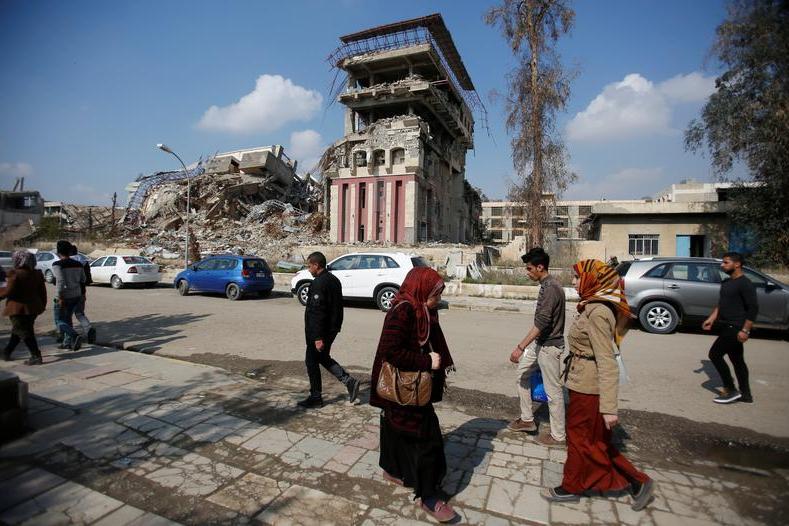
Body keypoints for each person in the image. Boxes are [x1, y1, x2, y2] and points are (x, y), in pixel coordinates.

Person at [542, 259, 654, 511]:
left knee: (581, 439)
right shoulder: (590, 306)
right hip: (580, 381)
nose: (573, 282)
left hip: (589, 388)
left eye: (577, 277)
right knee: (593, 442)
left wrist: (609, 407)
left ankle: (572, 486)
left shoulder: (599, 312)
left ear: (592, 280)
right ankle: (636, 482)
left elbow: (607, 361)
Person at [369, 267, 457, 523]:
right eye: (435, 294)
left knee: (394, 428)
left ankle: (392, 469)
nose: (438, 299)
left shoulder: (421, 310)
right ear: (421, 289)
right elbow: (391, 352)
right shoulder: (404, 311)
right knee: (427, 441)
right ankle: (428, 496)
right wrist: (426, 361)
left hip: (406, 391)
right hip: (405, 389)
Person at [508, 247, 568, 447]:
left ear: (540, 267)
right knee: (522, 374)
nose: (527, 272)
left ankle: (558, 436)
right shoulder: (546, 285)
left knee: (553, 392)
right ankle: (527, 420)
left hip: (550, 347)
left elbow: (541, 323)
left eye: (529, 268)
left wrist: (520, 347)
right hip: (539, 343)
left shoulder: (551, 288)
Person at [297, 252, 360, 408]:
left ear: (316, 265)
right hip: (331, 328)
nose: (308, 268)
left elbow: (318, 312)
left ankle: (316, 397)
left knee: (311, 361)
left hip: (321, 331)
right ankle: (349, 382)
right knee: (323, 357)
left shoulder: (319, 283)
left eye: (309, 265)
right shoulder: (333, 279)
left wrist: (318, 337)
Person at [702, 252, 758, 404]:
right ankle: (746, 395)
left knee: (714, 354)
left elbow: (753, 309)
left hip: (736, 326)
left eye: (726, 262)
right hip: (726, 324)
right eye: (723, 262)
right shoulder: (727, 282)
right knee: (737, 360)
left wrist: (745, 330)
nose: (722, 265)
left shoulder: (745, 284)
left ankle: (731, 389)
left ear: (737, 264)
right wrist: (712, 318)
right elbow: (722, 303)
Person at [1, 251, 47, 365]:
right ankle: (6, 352)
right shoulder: (37, 273)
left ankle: (36, 355)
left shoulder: (15, 273)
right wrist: (42, 306)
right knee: (19, 330)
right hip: (33, 308)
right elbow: (42, 292)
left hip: (18, 309)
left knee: (24, 332)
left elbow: (7, 291)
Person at [51, 240, 85, 351]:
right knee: (68, 318)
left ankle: (74, 335)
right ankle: (67, 343)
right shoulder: (79, 264)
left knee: (59, 320)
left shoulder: (57, 265)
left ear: (58, 252)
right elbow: (83, 280)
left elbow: (60, 281)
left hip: (64, 296)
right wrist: (83, 294)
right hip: (76, 295)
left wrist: (60, 297)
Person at [70, 243, 96, 344]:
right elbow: (88, 279)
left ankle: (69, 337)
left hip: (68, 292)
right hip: (81, 291)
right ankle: (88, 329)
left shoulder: (65, 262)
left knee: (65, 316)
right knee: (80, 313)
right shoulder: (83, 261)